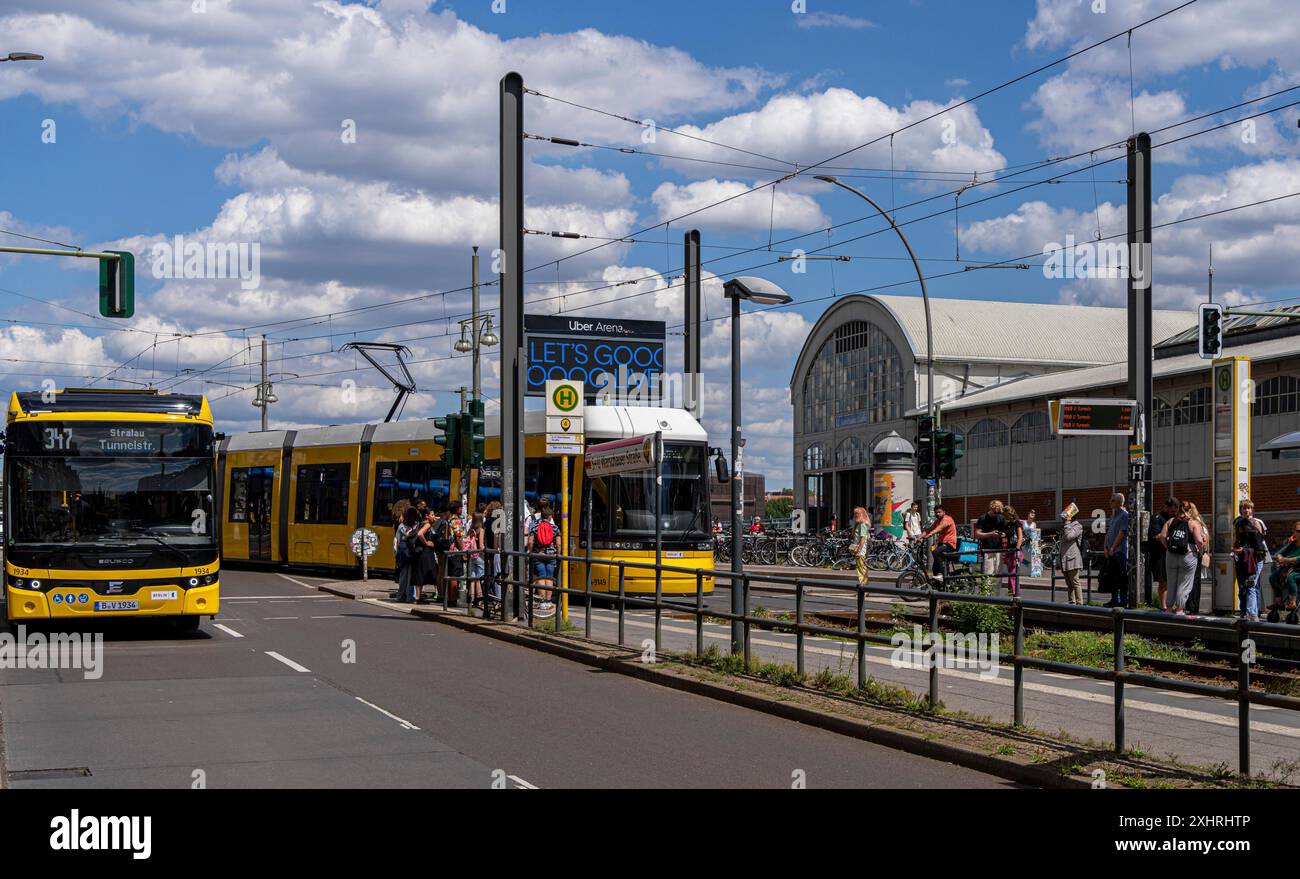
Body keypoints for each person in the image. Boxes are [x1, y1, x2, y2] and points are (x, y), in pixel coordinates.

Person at [1160, 498, 1205, 616]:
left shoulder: (1170, 521)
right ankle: (1180, 609)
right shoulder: (1193, 523)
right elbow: (1199, 541)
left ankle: (1168, 609)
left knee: (1171, 582)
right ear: (1189, 511)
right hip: (1188, 555)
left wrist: (1168, 547)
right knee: (1184, 583)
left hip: (1171, 554)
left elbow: (1162, 536)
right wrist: (1200, 552)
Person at [1233, 499, 1267, 622]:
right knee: (1243, 585)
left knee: (1251, 585)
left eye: (1249, 508)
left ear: (1252, 509)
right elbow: (1236, 537)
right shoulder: (1238, 522)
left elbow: (1259, 544)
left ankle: (1252, 614)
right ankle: (1244, 612)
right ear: (1240, 509)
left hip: (1255, 559)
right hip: (1242, 558)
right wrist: (1236, 548)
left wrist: (1245, 550)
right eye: (1244, 508)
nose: (1246, 510)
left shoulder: (1257, 523)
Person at [526, 503, 559, 618]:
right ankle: (548, 602)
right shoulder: (554, 528)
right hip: (551, 556)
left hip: (538, 555)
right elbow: (558, 543)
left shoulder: (534, 526)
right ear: (550, 517)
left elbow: (530, 542)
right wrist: (558, 553)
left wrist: (530, 552)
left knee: (540, 577)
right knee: (549, 577)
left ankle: (542, 602)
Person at [1148, 497, 1177, 610]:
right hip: (1160, 554)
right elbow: (1157, 536)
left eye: (1176, 511)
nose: (1174, 513)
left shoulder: (1176, 518)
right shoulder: (1157, 518)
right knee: (1163, 581)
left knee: (1173, 581)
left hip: (1173, 554)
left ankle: (1171, 605)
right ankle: (1163, 606)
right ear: (1165, 507)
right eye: (1172, 511)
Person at [1102, 492, 1130, 608]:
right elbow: (1108, 532)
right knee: (1112, 577)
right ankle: (1114, 599)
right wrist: (1105, 547)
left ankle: (1123, 601)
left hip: (1119, 551)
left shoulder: (1124, 515)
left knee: (1121, 577)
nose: (1110, 502)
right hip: (1110, 550)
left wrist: (1113, 547)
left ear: (1119, 502)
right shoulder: (1113, 515)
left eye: (1113, 500)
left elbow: (1122, 533)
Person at [1267, 521, 1300, 617]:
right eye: (1298, 531)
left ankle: (1292, 602)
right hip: (1290, 569)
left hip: (1297, 571)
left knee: (1291, 577)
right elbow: (1279, 553)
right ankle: (1279, 602)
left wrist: (1286, 560)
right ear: (1294, 532)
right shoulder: (1293, 544)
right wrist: (1280, 557)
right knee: (1273, 577)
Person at [920, 503, 959, 580]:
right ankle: (938, 583)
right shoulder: (937, 521)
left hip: (949, 544)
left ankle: (943, 574)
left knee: (936, 552)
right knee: (934, 566)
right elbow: (929, 529)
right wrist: (918, 537)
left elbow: (940, 528)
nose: (937, 514)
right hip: (942, 544)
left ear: (944, 512)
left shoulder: (947, 519)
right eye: (936, 512)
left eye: (939, 512)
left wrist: (931, 534)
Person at [1058, 505, 1085, 605]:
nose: (1063, 518)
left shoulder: (1078, 526)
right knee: (1069, 583)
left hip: (1073, 558)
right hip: (1064, 558)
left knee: (1075, 582)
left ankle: (1079, 603)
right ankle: (1071, 601)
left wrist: (1067, 523)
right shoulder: (1066, 525)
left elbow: (1069, 536)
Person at [395, 507, 422, 603]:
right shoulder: (418, 526)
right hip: (412, 552)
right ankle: (410, 596)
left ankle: (400, 595)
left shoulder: (401, 526)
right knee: (411, 575)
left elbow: (396, 541)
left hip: (403, 553)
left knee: (403, 575)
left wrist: (396, 553)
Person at [974, 500, 1005, 578]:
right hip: (987, 549)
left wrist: (1003, 534)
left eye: (998, 513)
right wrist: (990, 534)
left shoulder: (1001, 518)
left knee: (998, 574)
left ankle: (997, 591)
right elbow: (977, 534)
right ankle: (987, 590)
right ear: (991, 508)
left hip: (999, 549)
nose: (996, 515)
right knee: (988, 573)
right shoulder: (983, 518)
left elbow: (1005, 532)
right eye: (995, 512)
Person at [1001, 504, 1024, 596]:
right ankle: (1011, 592)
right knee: (1011, 572)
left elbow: (1020, 537)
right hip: (1009, 550)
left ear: (1010, 514)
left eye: (1006, 515)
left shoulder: (1017, 523)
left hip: (1016, 550)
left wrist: (1017, 550)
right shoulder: (1008, 524)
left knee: (1013, 573)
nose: (1005, 516)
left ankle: (1015, 593)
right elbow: (1005, 535)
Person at [849, 506, 872, 587]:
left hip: (861, 551)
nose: (855, 515)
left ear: (861, 514)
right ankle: (865, 588)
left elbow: (862, 539)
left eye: (856, 514)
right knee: (861, 569)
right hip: (860, 549)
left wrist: (859, 551)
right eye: (854, 513)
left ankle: (864, 589)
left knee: (861, 570)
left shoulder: (862, 524)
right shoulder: (859, 524)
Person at [1025, 510, 1043, 578]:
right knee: (1026, 557)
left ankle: (1034, 571)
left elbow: (1035, 533)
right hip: (1025, 542)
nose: (1032, 514)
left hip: (1033, 543)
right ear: (1028, 514)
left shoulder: (1034, 524)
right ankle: (1026, 570)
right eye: (1031, 513)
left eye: (1034, 513)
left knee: (1033, 557)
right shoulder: (1024, 523)